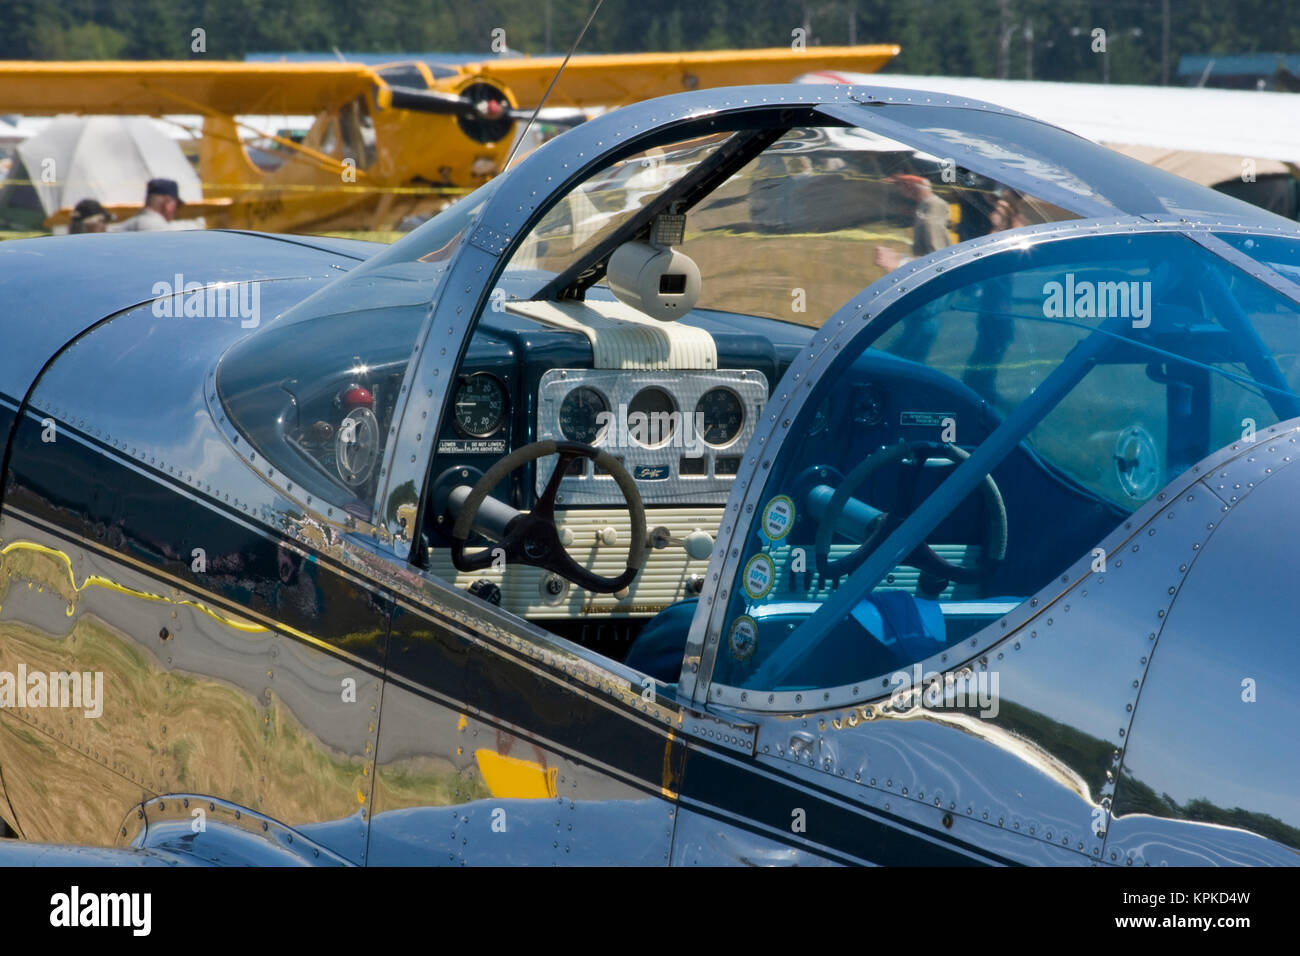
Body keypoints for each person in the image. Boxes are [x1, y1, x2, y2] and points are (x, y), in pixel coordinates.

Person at [874, 173, 952, 362]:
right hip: (925, 295)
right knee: (915, 337)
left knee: (918, 339)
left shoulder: (932, 208)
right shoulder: (926, 207)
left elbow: (939, 259)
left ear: (912, 186)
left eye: (901, 186)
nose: (899, 191)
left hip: (930, 295)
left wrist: (899, 263)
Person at [119, 178, 184, 231]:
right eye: (177, 205)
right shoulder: (161, 228)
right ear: (167, 203)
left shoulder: (122, 227)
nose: (176, 210)